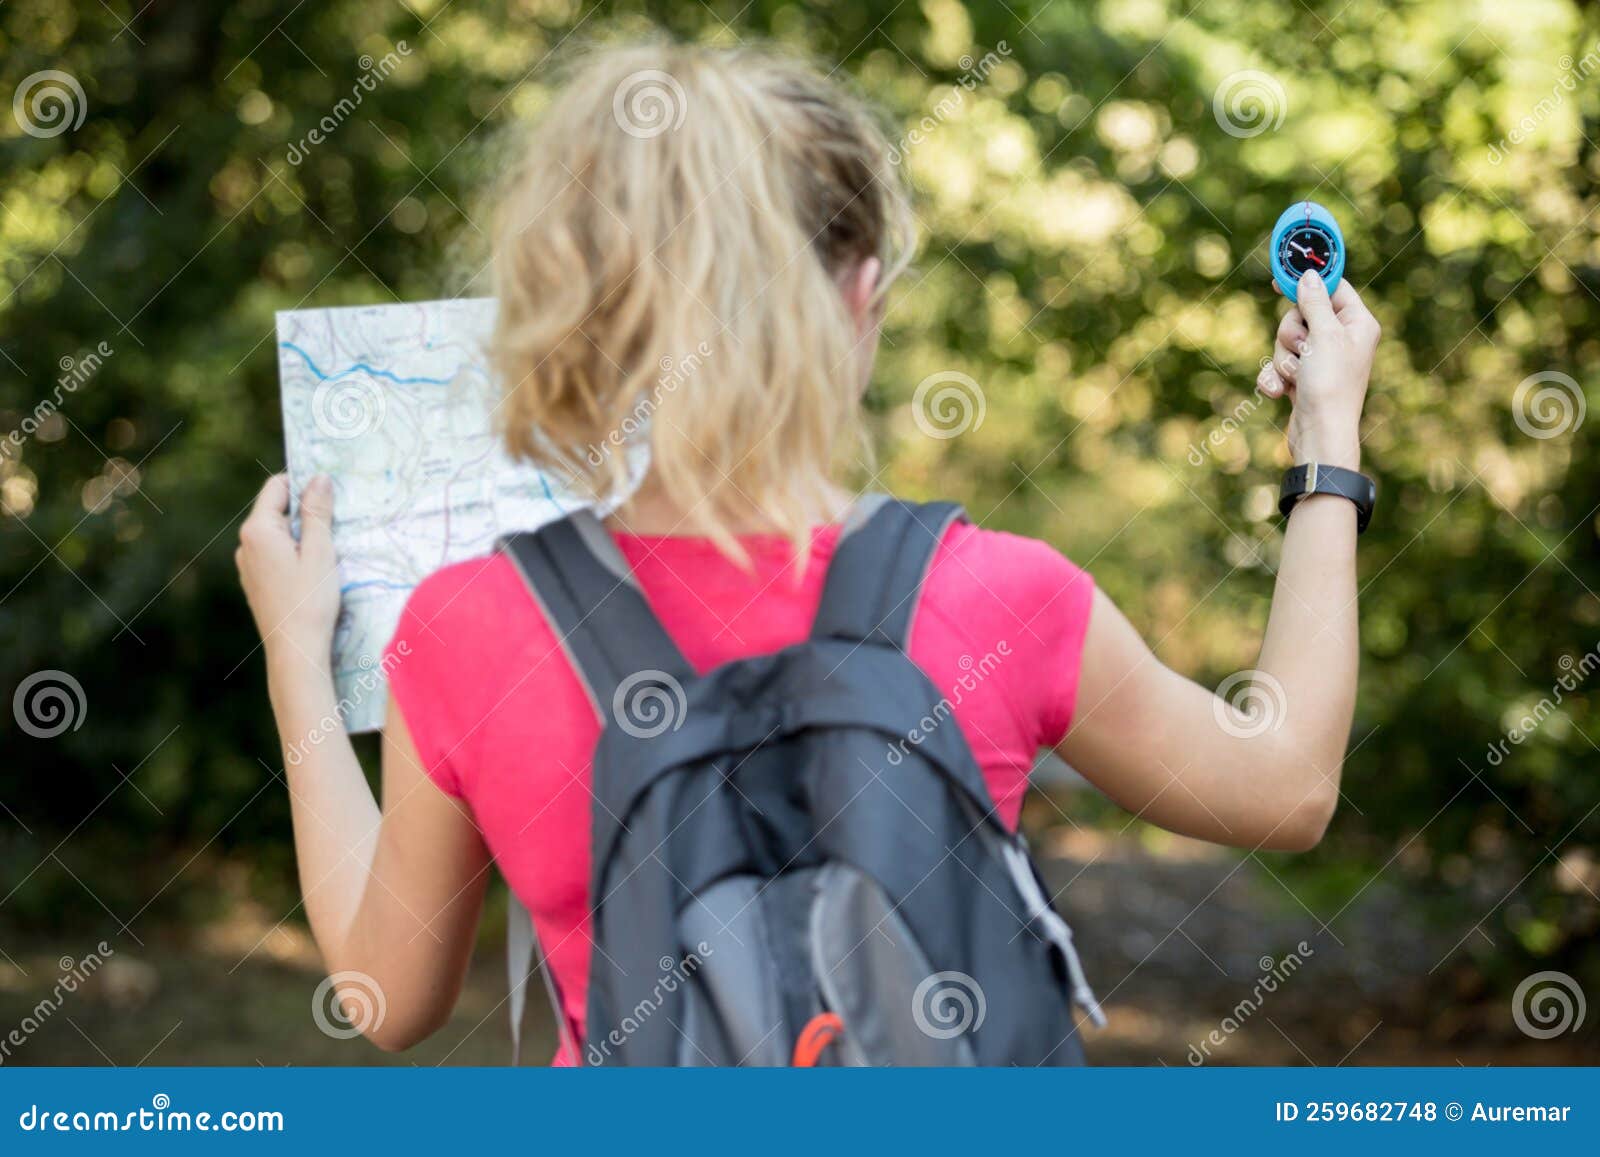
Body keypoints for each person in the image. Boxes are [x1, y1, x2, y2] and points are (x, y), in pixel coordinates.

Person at [236, 40, 1380, 1061]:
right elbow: (1284, 787)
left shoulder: (466, 627)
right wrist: (1326, 441)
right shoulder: (999, 595)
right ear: (860, 292)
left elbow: (385, 998)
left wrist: (297, 648)